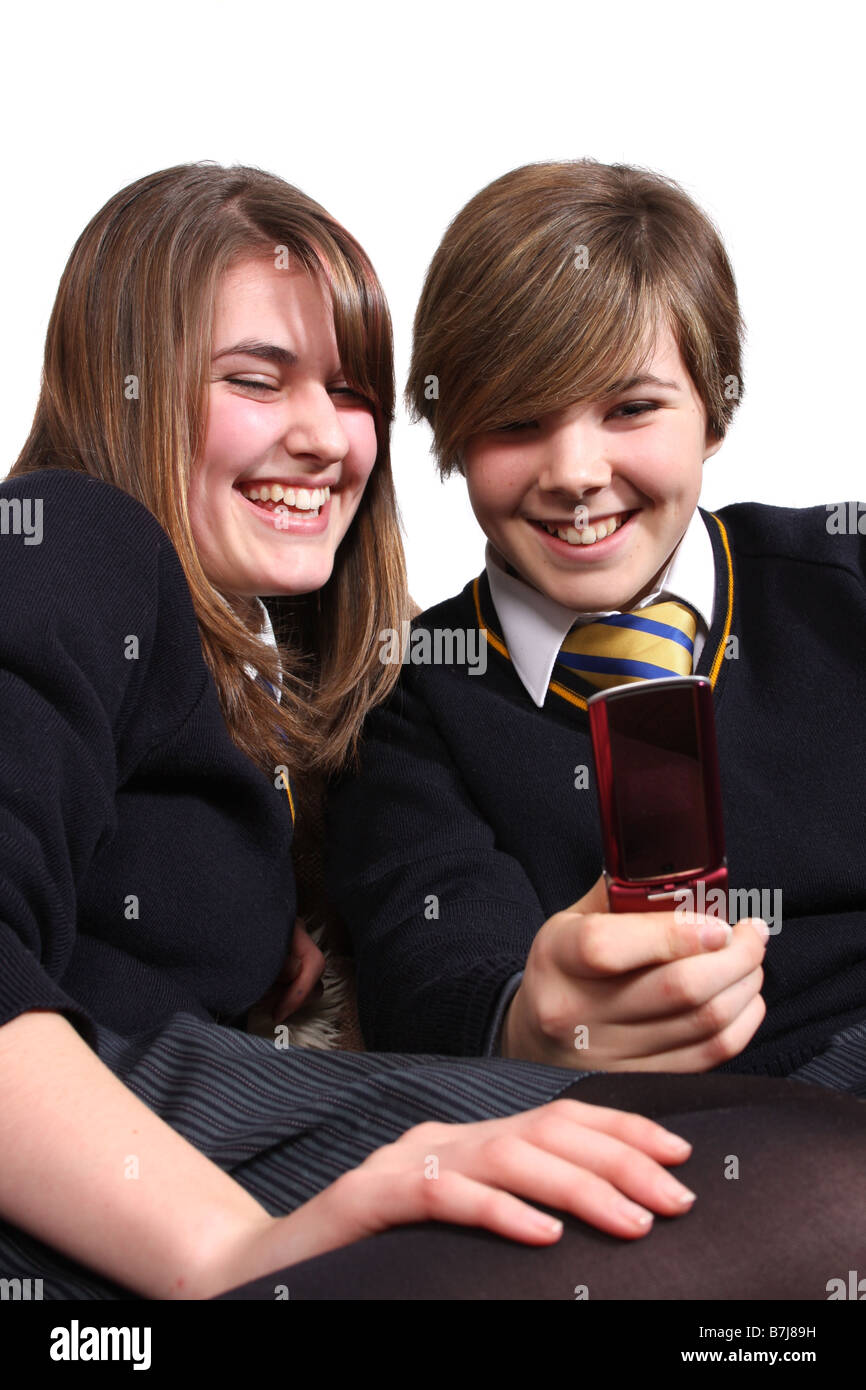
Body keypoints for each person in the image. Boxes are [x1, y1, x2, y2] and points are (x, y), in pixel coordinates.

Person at [0, 159, 726, 1304]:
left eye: (348, 394)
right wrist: (228, 1254)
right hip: (117, 1189)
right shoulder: (71, 540)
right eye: (255, 379)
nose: (324, 438)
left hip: (171, 1156)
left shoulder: (258, 701)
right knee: (714, 1166)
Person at [324, 158, 866, 1089]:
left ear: (715, 414)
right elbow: (437, 963)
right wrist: (526, 1022)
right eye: (519, 419)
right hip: (659, 1134)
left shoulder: (845, 579)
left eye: (632, 409)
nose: (575, 470)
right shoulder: (413, 705)